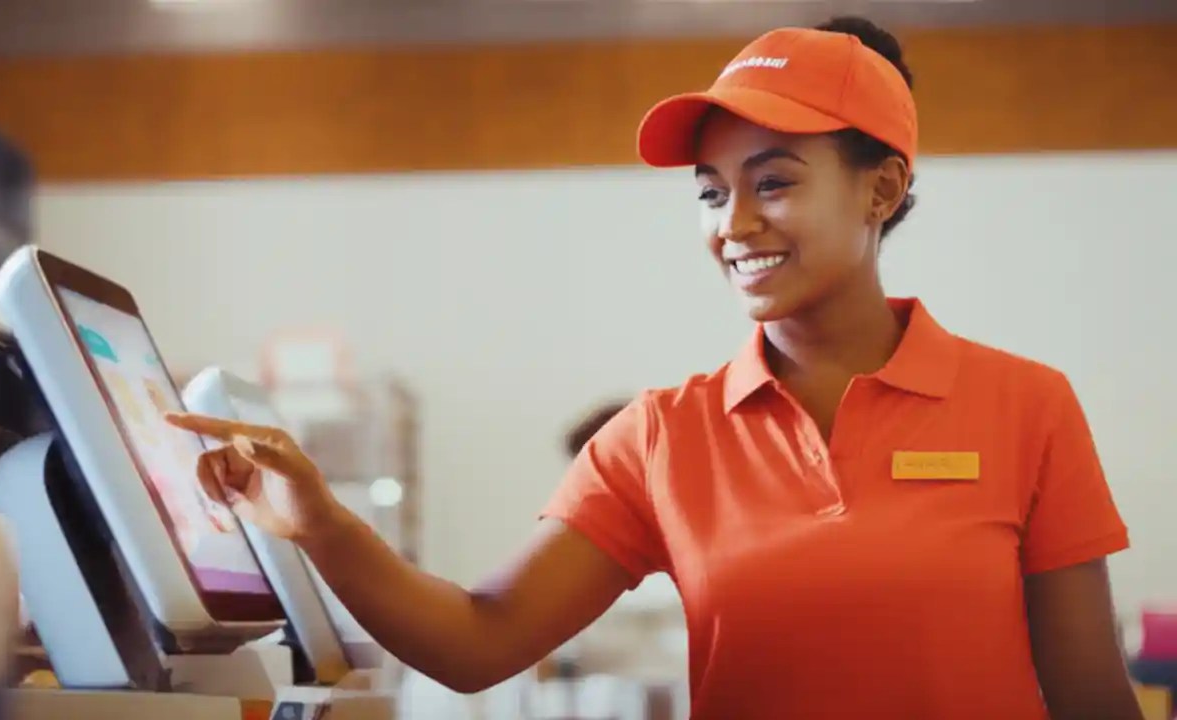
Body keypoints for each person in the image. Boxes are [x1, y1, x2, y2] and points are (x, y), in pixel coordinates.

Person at [168, 16, 1143, 719]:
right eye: (711, 193)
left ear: (881, 189)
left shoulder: (1024, 405)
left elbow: (1090, 697)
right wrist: (321, 524)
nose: (734, 225)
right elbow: (477, 642)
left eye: (773, 182)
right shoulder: (661, 436)